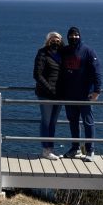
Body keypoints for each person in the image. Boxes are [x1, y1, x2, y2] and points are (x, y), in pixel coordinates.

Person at [59, 26, 101, 161]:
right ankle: (75, 148)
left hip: (85, 95)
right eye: (71, 35)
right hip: (69, 94)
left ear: (80, 36)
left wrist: (97, 91)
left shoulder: (88, 51)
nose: (74, 37)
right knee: (73, 122)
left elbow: (97, 71)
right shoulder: (64, 51)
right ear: (67, 37)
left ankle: (90, 150)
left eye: (76, 35)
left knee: (88, 122)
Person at [33, 31, 63, 160]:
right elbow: (37, 74)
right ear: (47, 40)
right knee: (46, 121)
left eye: (57, 39)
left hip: (59, 94)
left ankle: (51, 149)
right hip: (46, 94)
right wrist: (49, 88)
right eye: (52, 39)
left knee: (53, 122)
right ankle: (45, 150)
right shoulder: (42, 53)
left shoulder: (63, 54)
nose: (55, 41)